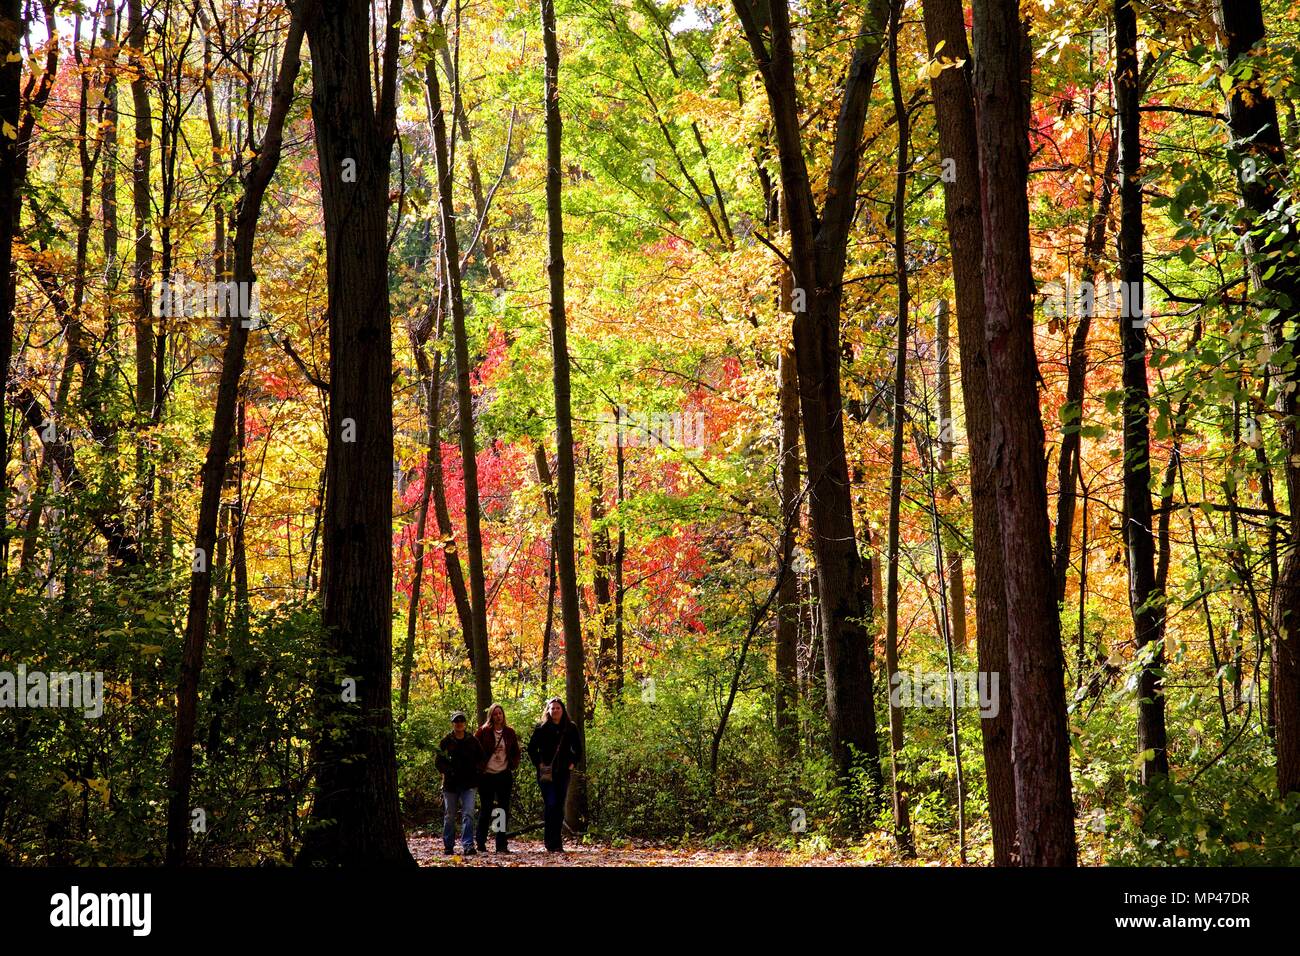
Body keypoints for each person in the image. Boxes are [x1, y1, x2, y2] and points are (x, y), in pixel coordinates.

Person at [526, 696, 582, 852]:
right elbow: (531, 749)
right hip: (546, 774)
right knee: (550, 804)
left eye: (558, 708)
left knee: (559, 807)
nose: (555, 710)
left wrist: (572, 764)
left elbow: (578, 749)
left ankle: (557, 844)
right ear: (548, 711)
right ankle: (550, 842)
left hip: (563, 773)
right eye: (553, 708)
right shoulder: (541, 728)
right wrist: (539, 764)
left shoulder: (570, 727)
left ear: (563, 710)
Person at [473, 703, 521, 853]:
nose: (498, 716)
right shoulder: (483, 731)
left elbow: (515, 751)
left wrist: (513, 764)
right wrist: (479, 767)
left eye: (500, 713)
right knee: (486, 809)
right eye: (495, 714)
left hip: (504, 775)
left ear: (503, 715)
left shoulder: (509, 732)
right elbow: (474, 749)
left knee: (502, 810)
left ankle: (501, 844)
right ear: (491, 716)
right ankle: (480, 842)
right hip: (487, 776)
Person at [436, 711, 484, 855]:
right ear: (453, 723)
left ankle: (468, 845)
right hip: (450, 785)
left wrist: (476, 771)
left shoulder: (473, 740)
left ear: (465, 723)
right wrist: (449, 771)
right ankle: (448, 846)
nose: (459, 723)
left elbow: (482, 758)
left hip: (469, 784)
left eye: (461, 720)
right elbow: (438, 762)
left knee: (468, 814)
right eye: (456, 721)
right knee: (449, 815)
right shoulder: (446, 741)